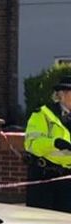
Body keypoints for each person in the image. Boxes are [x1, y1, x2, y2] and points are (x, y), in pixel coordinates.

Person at [24, 76, 71, 211]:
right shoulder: (42, 114)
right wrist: (54, 143)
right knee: (41, 219)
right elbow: (32, 144)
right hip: (45, 176)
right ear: (62, 94)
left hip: (68, 177)